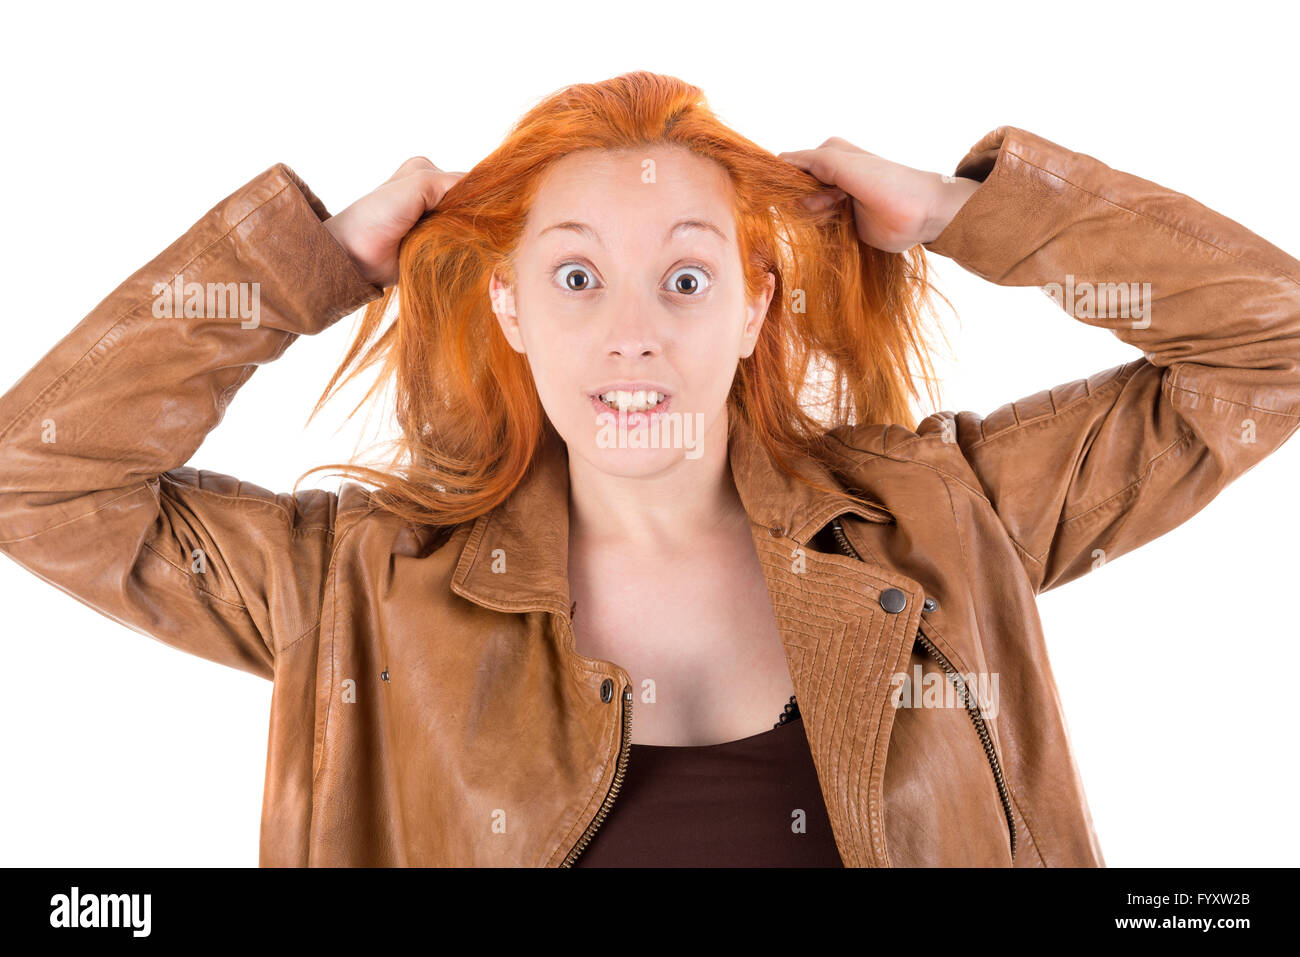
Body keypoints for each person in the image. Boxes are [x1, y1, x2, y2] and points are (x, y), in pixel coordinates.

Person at [1, 71, 1297, 867]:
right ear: (508, 308)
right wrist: (311, 259)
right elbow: (37, 478)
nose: (632, 333)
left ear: (753, 307)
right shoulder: (358, 586)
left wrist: (967, 213)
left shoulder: (946, 517)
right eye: (575, 276)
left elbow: (1272, 348)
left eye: (687, 276)